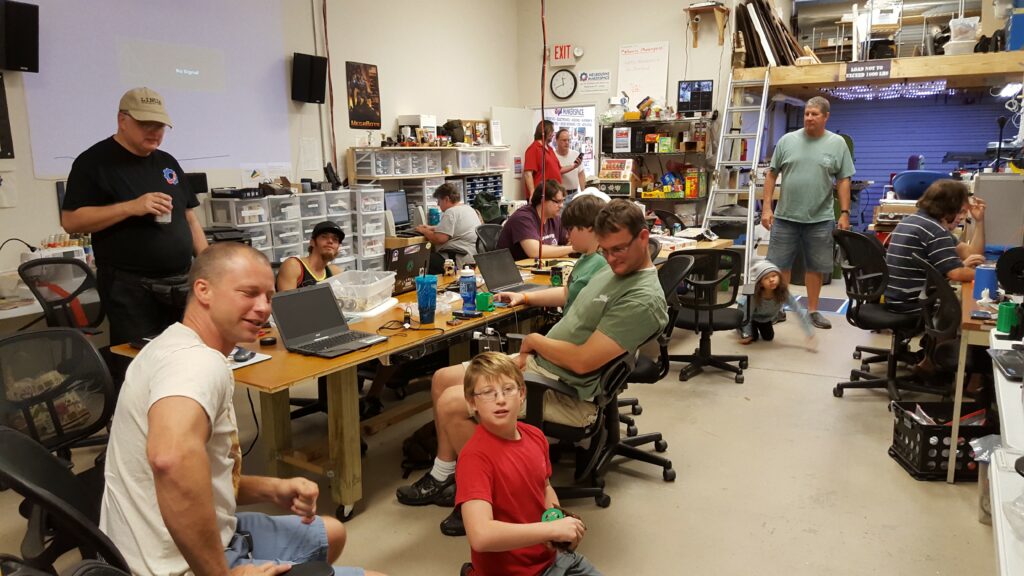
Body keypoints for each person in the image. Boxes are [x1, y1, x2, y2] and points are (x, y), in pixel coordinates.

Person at [99, 242, 384, 576]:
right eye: (249, 293)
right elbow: (171, 458)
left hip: (153, 540)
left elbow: (200, 473)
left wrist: (272, 489)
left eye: (269, 296)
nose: (263, 308)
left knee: (331, 533)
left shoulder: (169, 344)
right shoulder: (196, 363)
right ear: (203, 290)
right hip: (169, 564)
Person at [397, 200, 667, 537]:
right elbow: (572, 297)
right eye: (607, 250)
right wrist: (526, 306)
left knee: (454, 402)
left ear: (644, 237)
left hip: (565, 389)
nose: (611, 258)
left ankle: (490, 498)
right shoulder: (612, 270)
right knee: (442, 379)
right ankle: (446, 474)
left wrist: (536, 341)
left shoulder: (641, 298)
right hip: (544, 365)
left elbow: (583, 361)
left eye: (619, 249)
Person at [62, 87, 209, 347]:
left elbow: (190, 218)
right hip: (130, 288)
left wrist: (210, 263)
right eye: (145, 124)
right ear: (122, 120)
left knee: (184, 356)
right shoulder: (93, 162)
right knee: (138, 364)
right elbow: (72, 221)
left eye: (160, 125)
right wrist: (131, 207)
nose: (154, 132)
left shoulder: (167, 162)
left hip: (179, 282)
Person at [457, 353, 600, 576]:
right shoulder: (474, 458)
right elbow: (481, 536)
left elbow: (544, 487)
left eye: (508, 389)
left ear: (522, 394)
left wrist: (557, 525)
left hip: (554, 559)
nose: (500, 399)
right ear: (472, 403)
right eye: (488, 393)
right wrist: (548, 530)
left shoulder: (535, 436)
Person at [761, 96, 854, 330]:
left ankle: (813, 311)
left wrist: (845, 213)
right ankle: (778, 308)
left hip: (820, 219)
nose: (809, 117)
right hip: (785, 217)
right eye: (807, 113)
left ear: (826, 117)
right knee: (779, 266)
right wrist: (766, 207)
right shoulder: (787, 141)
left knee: (816, 267)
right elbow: (771, 175)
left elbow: (844, 179)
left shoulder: (837, 144)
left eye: (814, 114)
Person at [884, 179, 986, 313]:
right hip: (914, 304)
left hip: (896, 299)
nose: (962, 217)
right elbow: (956, 274)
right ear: (947, 208)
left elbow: (973, 254)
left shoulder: (913, 221)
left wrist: (979, 221)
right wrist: (991, 276)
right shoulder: (935, 231)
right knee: (971, 309)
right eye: (960, 211)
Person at [497, 194, 607, 312]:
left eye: (570, 229)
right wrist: (524, 297)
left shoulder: (601, 264)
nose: (567, 235)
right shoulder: (586, 258)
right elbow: (566, 294)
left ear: (589, 228)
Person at [737, 260, 816, 347]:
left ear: (779, 276)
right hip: (749, 317)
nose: (771, 280)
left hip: (765, 318)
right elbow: (746, 314)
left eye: (774, 276)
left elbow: (798, 310)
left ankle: (754, 328)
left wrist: (809, 331)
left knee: (769, 337)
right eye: (766, 278)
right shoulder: (754, 295)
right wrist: (747, 334)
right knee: (753, 337)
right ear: (761, 283)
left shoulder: (783, 293)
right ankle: (739, 327)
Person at [496, 180, 573, 260]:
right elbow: (534, 252)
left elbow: (568, 242)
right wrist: (572, 249)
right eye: (558, 202)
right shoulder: (523, 218)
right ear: (543, 200)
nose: (561, 206)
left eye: (563, 201)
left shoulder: (554, 217)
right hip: (513, 269)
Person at [416, 182, 481, 271]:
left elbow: (440, 239)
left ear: (446, 199)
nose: (438, 204)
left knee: (421, 259)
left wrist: (423, 231)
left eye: (439, 201)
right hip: (471, 257)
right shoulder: (468, 209)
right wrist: (432, 228)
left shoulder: (451, 212)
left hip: (456, 259)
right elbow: (456, 228)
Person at [276, 220, 344, 291]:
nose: (330, 241)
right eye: (324, 237)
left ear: (338, 247)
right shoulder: (293, 266)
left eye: (335, 239)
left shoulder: (334, 272)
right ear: (312, 242)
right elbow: (286, 301)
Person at [523, 120, 562, 197]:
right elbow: (528, 173)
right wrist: (532, 193)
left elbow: (558, 169)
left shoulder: (549, 149)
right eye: (551, 131)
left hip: (553, 193)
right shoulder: (534, 148)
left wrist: (573, 166)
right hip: (542, 194)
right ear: (544, 131)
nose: (553, 134)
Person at [553, 128, 586, 201]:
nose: (567, 142)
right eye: (564, 140)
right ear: (557, 141)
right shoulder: (552, 156)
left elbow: (581, 174)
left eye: (568, 140)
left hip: (575, 194)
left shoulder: (576, 154)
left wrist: (583, 193)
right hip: (559, 196)